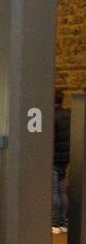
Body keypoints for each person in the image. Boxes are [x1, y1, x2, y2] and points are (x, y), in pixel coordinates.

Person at [54, 91, 69, 232]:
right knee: (62, 190)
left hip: (54, 158)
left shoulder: (51, 116)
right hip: (65, 159)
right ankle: (63, 222)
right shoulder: (68, 115)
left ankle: (54, 223)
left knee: (53, 191)